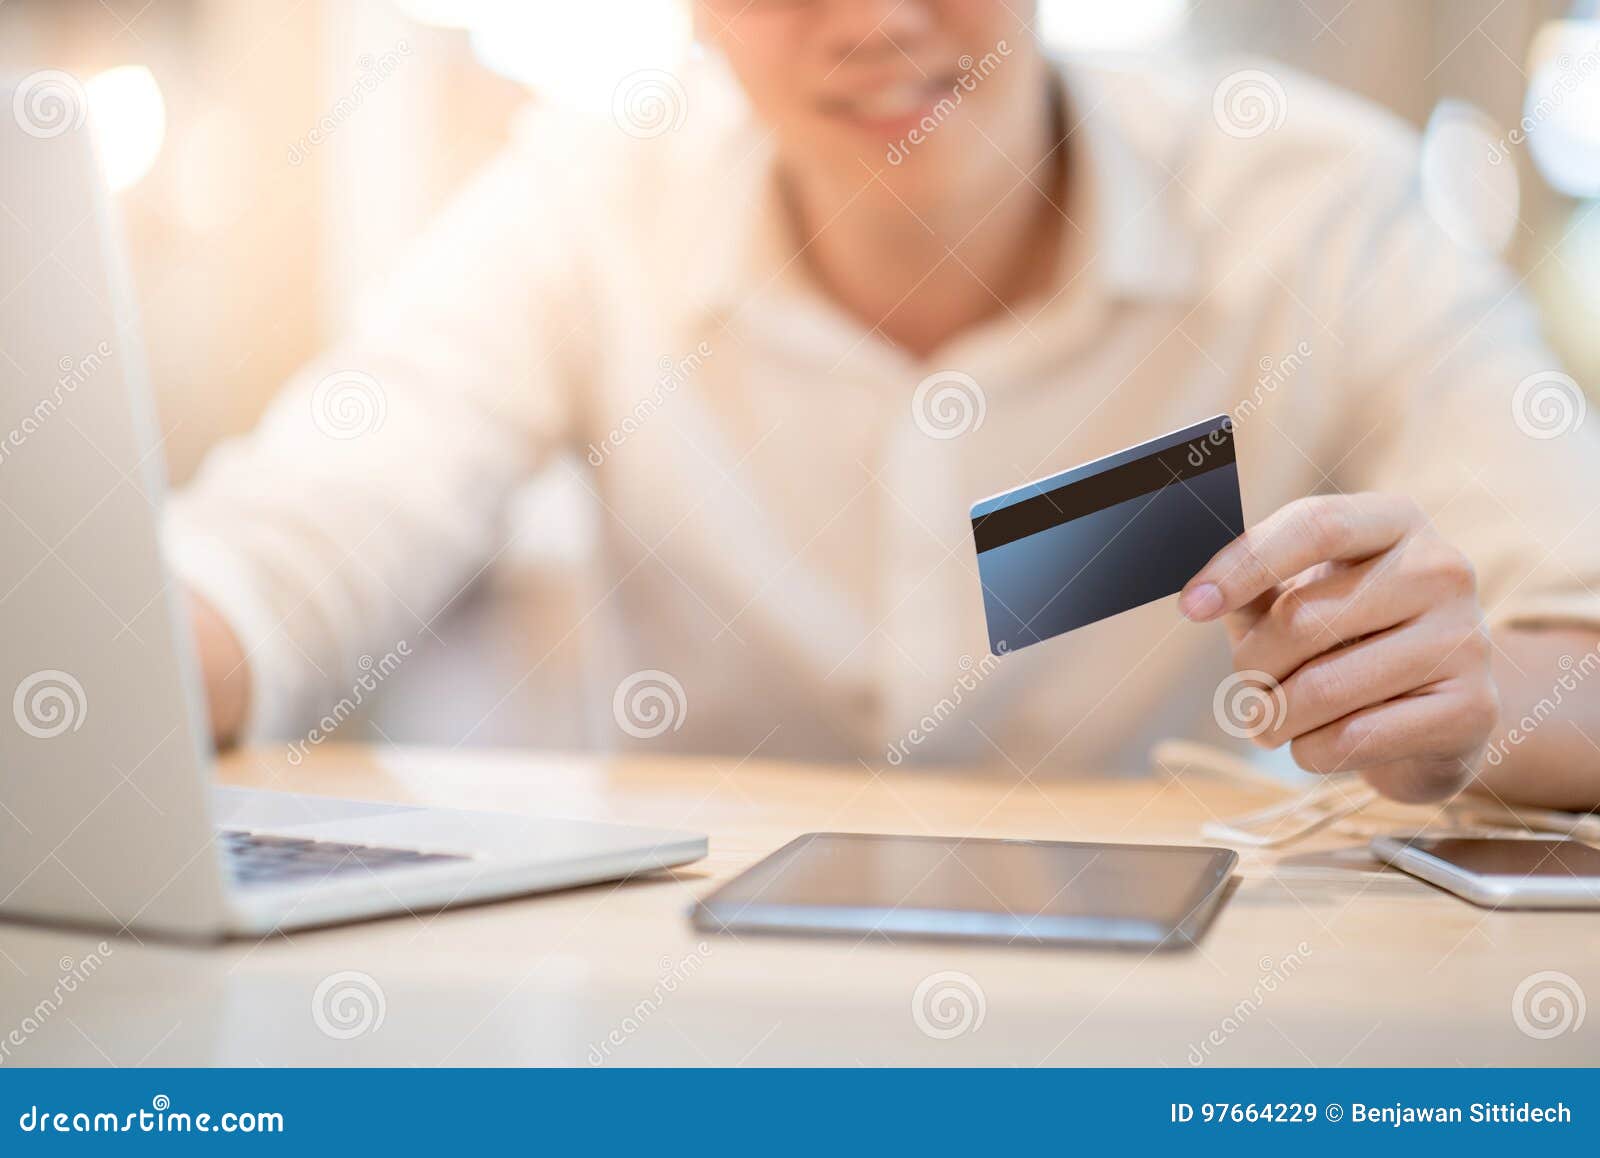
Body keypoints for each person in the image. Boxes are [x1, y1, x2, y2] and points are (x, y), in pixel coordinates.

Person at [170, 1, 1600, 811]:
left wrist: (1476, 696)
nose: (873, 19)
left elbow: (1580, 629)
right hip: (712, 1023)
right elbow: (302, 538)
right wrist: (112, 674)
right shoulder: (585, 206)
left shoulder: (1318, 209)